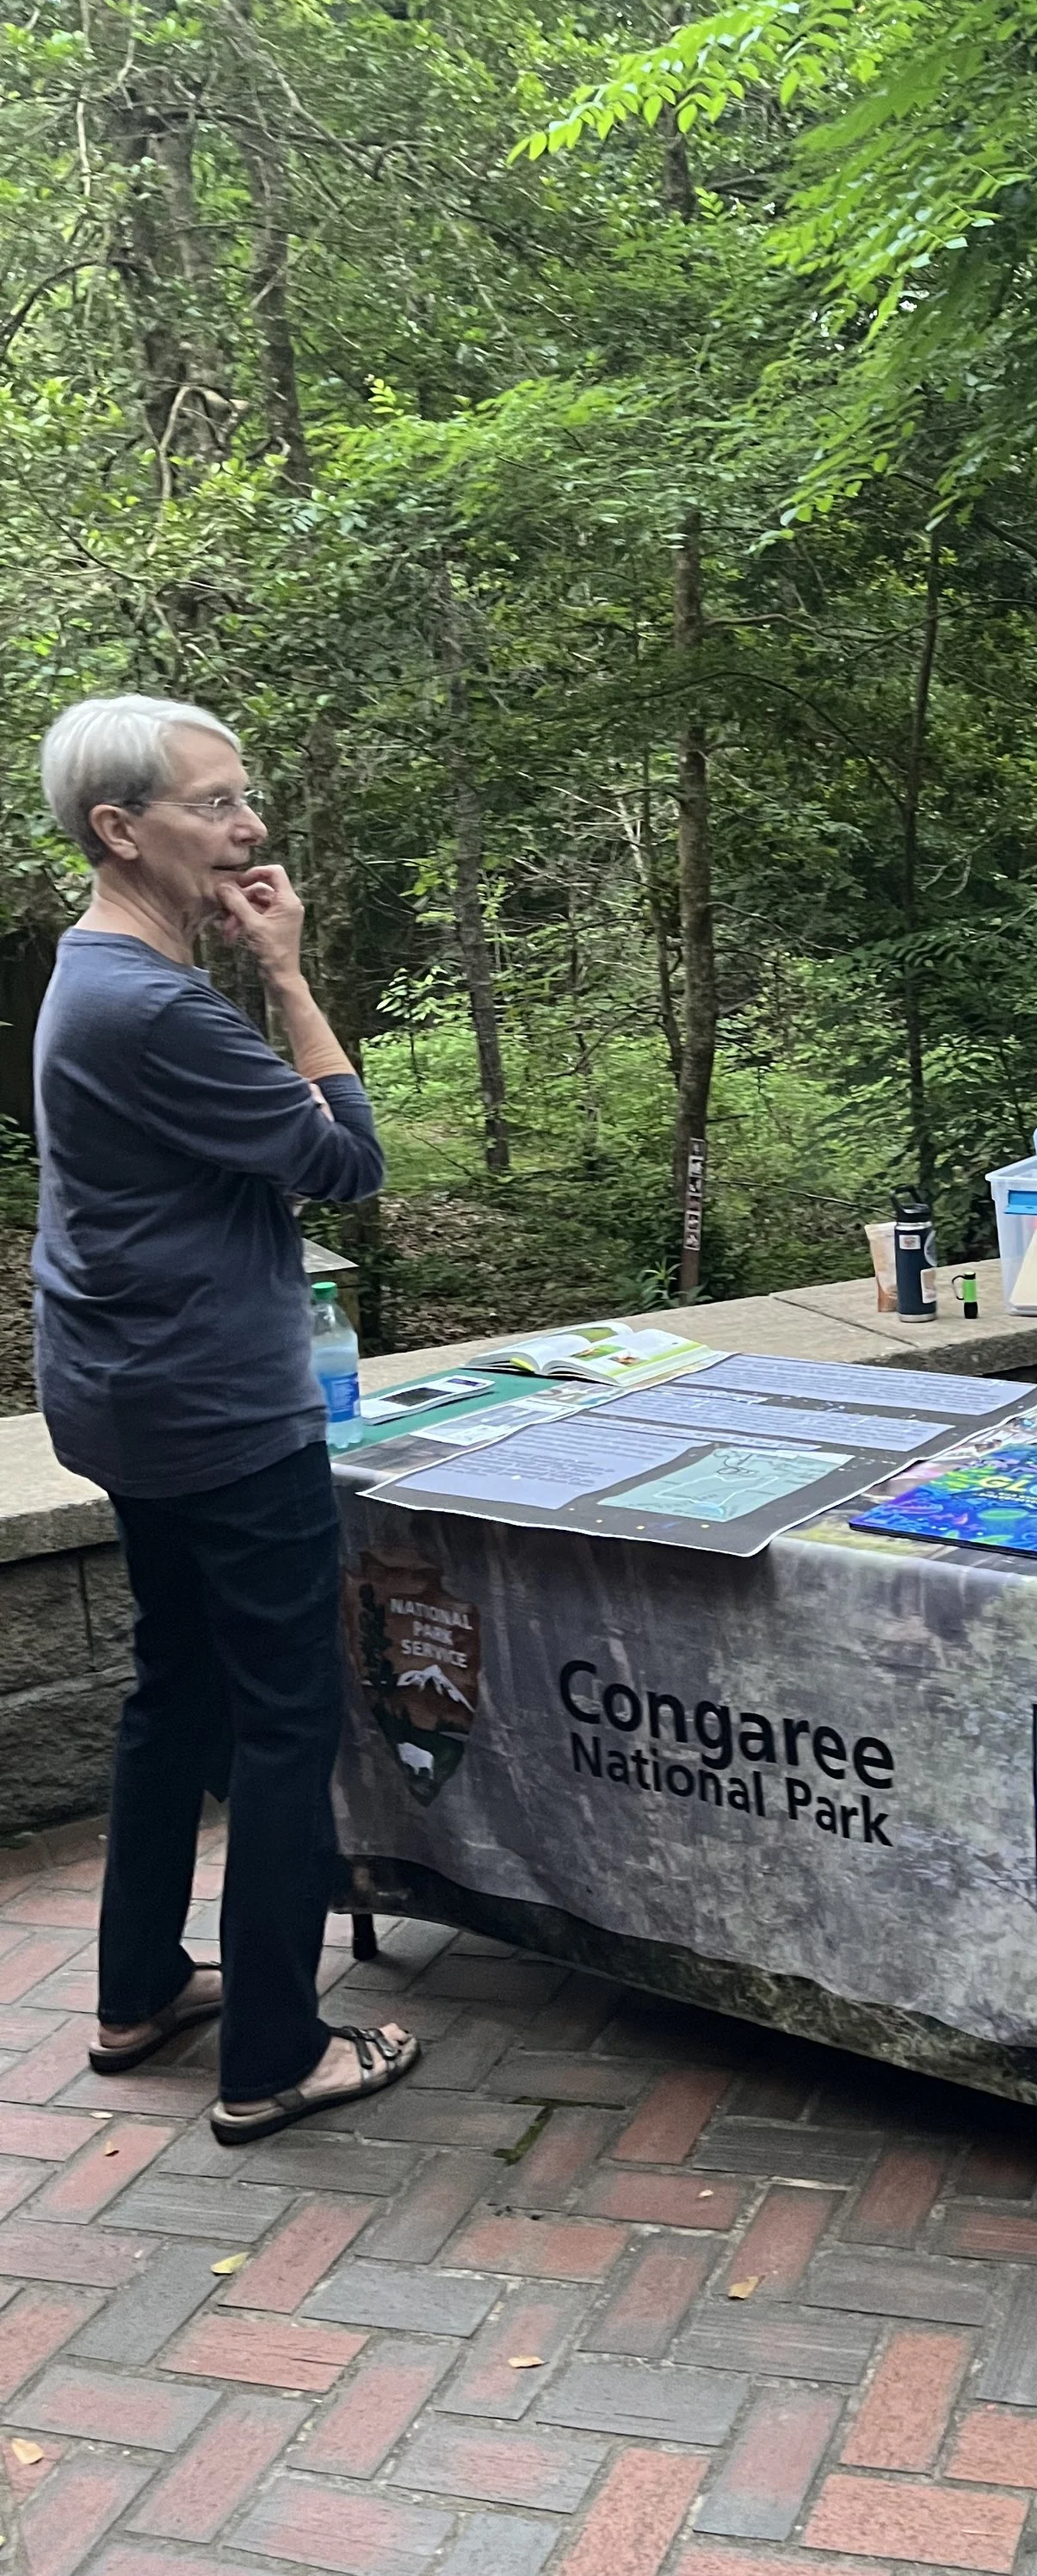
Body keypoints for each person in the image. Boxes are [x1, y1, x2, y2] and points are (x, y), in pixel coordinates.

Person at [33, 695, 420, 2144]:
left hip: (122, 1390)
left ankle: (138, 1992)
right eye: (213, 803)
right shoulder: (158, 1004)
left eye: (248, 794)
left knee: (171, 1687)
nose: (249, 826)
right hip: (214, 1405)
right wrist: (294, 975)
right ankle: (274, 2049)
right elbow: (345, 1163)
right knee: (280, 1720)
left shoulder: (89, 973)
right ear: (120, 827)